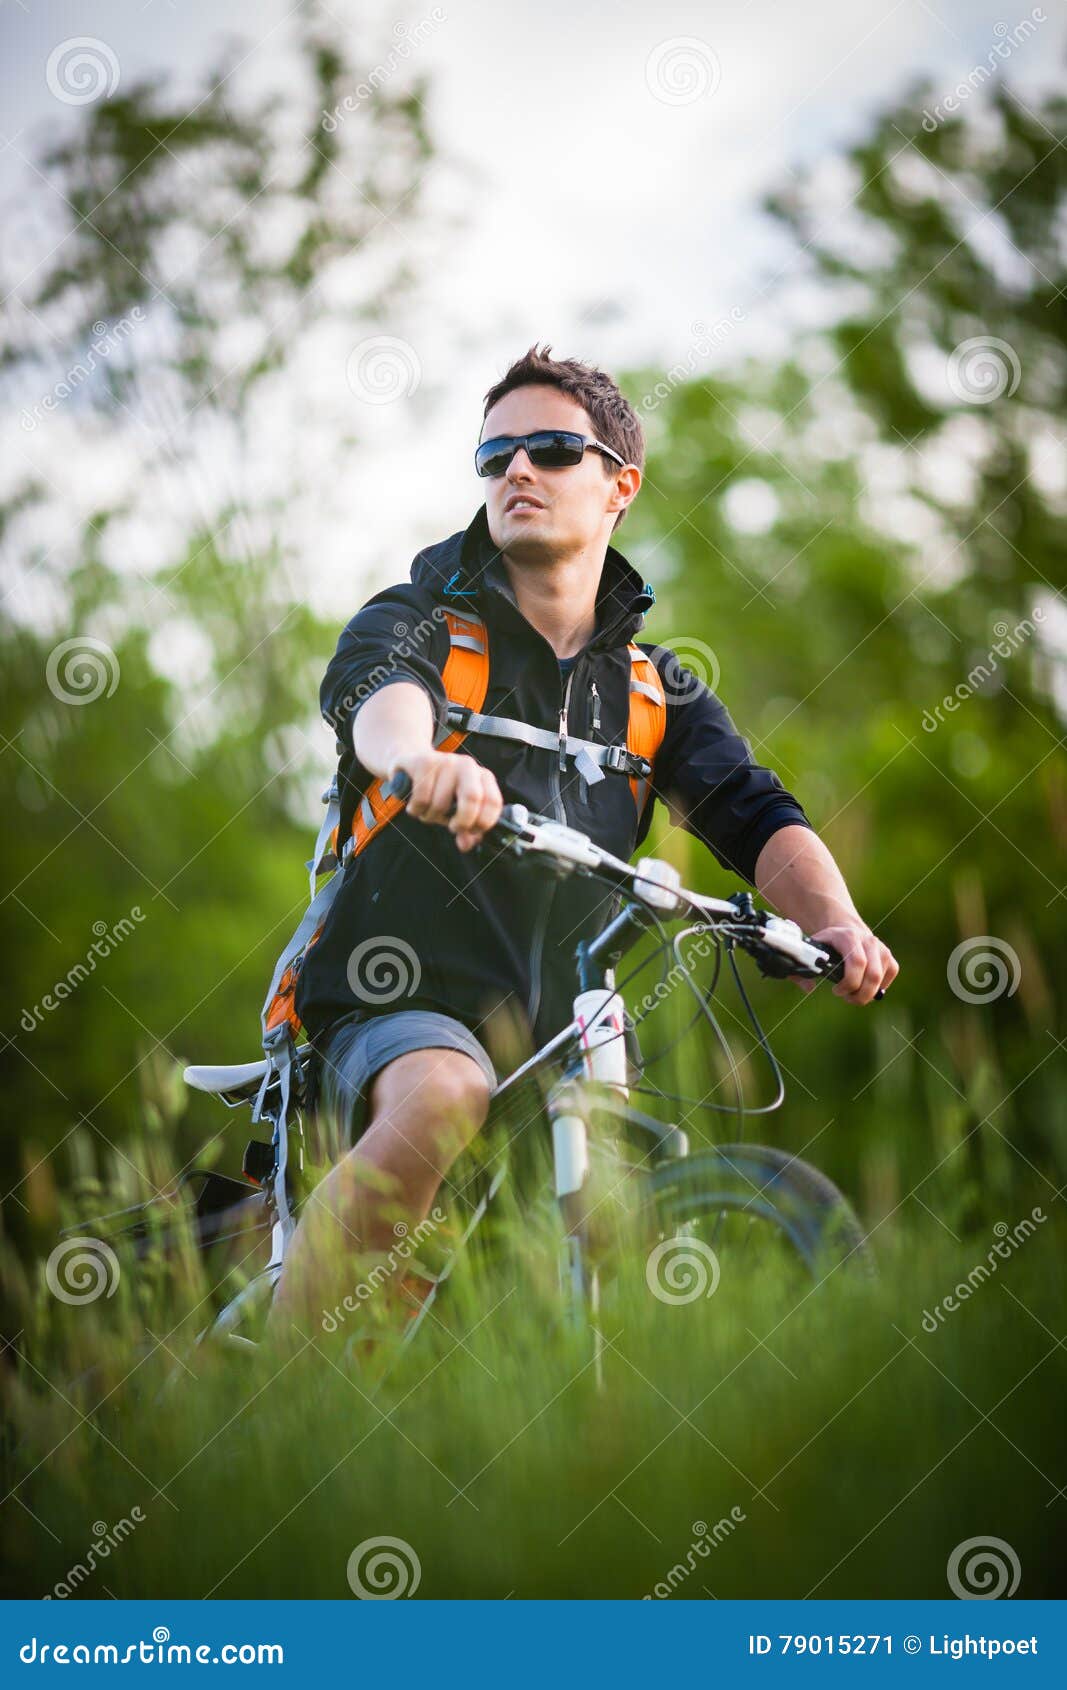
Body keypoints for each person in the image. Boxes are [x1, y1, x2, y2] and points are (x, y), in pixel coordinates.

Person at [269, 344, 898, 1338]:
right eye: (495, 455)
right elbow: (377, 703)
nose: (516, 470)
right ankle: (280, 1402)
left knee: (610, 1204)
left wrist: (832, 921)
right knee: (446, 1092)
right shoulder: (424, 622)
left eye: (552, 449)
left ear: (619, 486)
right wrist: (418, 762)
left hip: (568, 1020)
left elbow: (754, 809)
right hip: (391, 1001)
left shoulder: (655, 690)